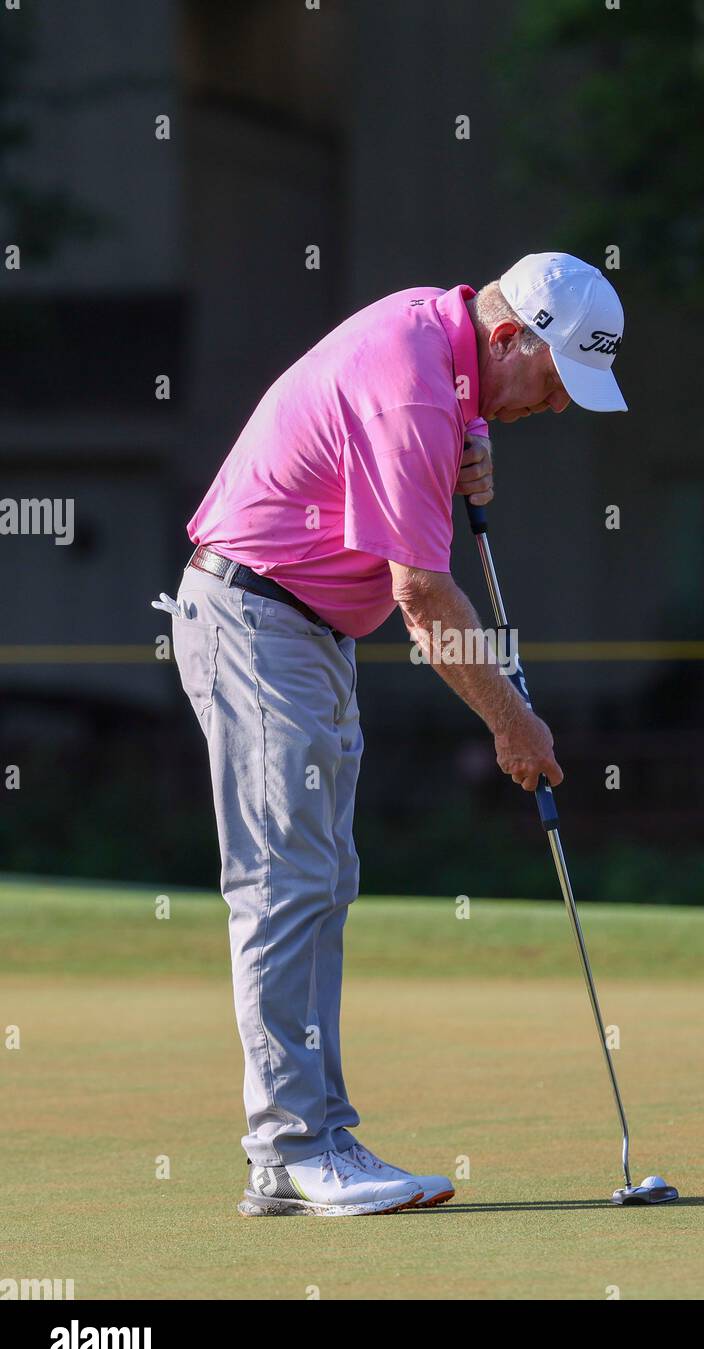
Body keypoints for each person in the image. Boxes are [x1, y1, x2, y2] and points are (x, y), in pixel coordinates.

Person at [154, 252, 628, 1216]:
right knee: (286, 884)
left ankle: (300, 1144)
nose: (562, 405)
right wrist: (513, 722)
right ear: (508, 336)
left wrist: (466, 439)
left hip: (303, 629)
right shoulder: (413, 383)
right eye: (556, 378)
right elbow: (422, 593)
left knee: (321, 881)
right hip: (256, 620)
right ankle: (296, 1147)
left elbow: (392, 475)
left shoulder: (437, 359)